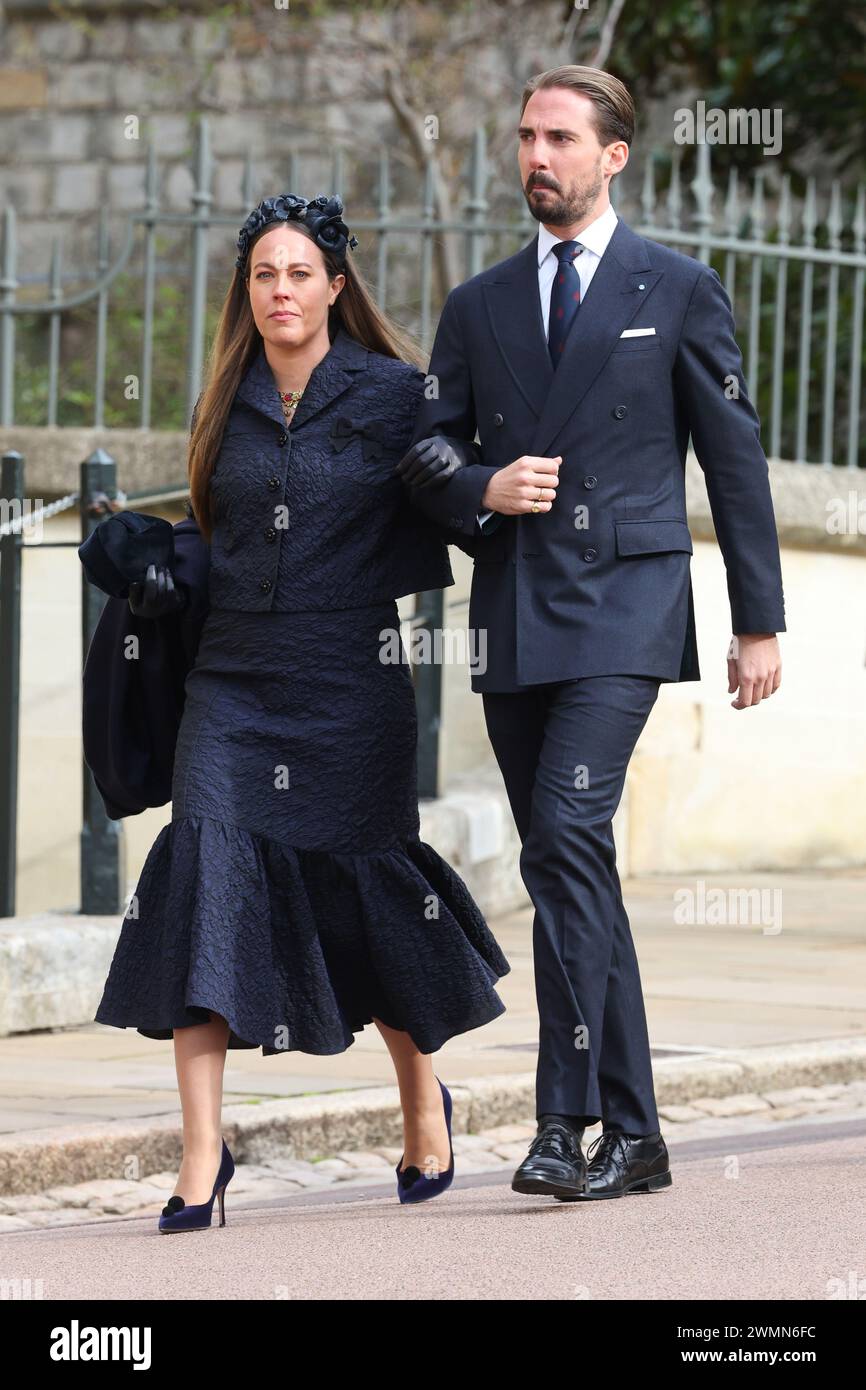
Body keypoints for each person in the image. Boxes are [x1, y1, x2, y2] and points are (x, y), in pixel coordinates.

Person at [397, 65, 785, 1201]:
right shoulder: (477, 304)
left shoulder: (678, 287)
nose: (536, 155)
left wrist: (757, 621)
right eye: (526, 135)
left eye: (559, 138)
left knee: (564, 834)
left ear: (612, 155)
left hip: (624, 607)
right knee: (569, 865)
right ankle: (640, 1134)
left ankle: (564, 1122)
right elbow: (424, 451)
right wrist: (481, 486)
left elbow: (734, 460)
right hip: (517, 610)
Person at [87, 192, 510, 1227]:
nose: (280, 290)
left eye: (299, 273)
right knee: (203, 873)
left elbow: (461, 499)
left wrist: (479, 485)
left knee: (364, 897)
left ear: (334, 286)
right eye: (263, 274)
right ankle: (201, 1155)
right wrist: (151, 565)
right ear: (247, 291)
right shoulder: (222, 399)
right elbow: (212, 530)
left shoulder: (395, 394)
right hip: (232, 683)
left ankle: (422, 1099)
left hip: (350, 684)